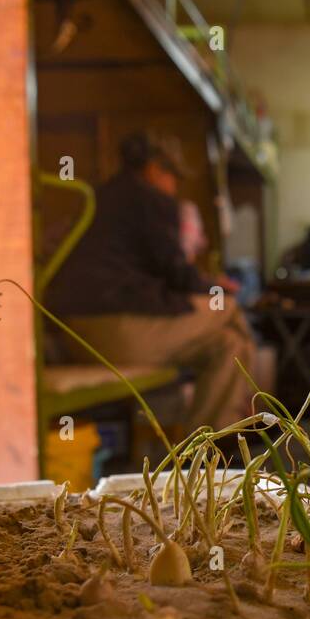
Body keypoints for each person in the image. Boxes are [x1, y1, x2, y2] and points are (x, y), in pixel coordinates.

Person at [45, 130, 255, 433]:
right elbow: (176, 272)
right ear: (155, 169)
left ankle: (208, 445)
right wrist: (216, 287)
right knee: (229, 308)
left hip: (76, 336)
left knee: (229, 344)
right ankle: (230, 431)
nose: (174, 187)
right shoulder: (149, 199)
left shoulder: (101, 195)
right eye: (174, 178)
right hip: (116, 335)